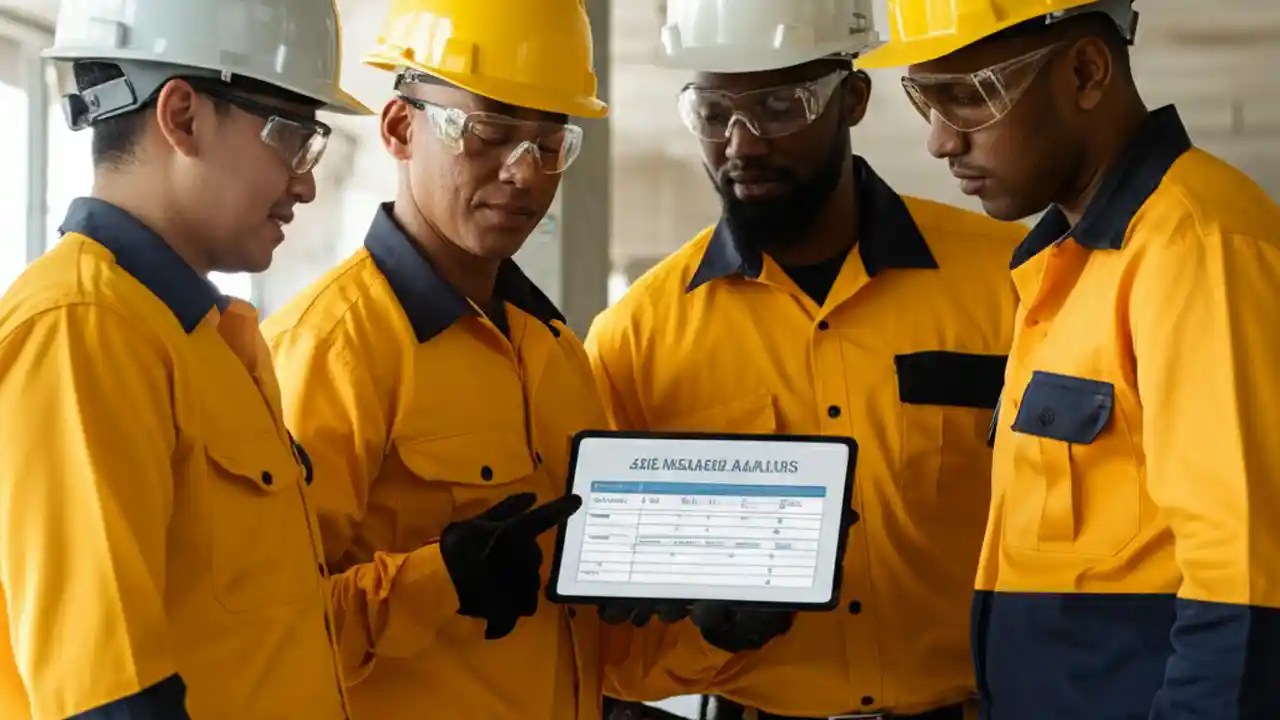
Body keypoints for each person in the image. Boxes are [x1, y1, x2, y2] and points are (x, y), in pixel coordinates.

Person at [589, 1, 1028, 718]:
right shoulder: (636, 340)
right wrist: (705, 628)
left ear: (851, 99)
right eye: (711, 112)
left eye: (778, 105)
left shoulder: (1008, 282)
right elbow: (605, 636)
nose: (742, 143)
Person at [264, 1, 698, 717]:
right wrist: (439, 582)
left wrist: (703, 626)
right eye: (489, 133)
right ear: (400, 129)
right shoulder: (332, 348)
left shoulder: (556, 353)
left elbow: (590, 645)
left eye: (550, 144)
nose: (524, 175)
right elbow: (263, 631)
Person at [856, 1, 1280, 718]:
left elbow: (1248, 581)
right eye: (927, 100)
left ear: (1086, 71)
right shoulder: (1068, 267)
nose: (939, 141)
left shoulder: (1197, 250)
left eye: (968, 96)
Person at [0, 1, 369, 718]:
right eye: (293, 138)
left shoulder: (201, 337)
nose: (305, 182)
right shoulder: (82, 331)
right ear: (183, 117)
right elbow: (108, 699)